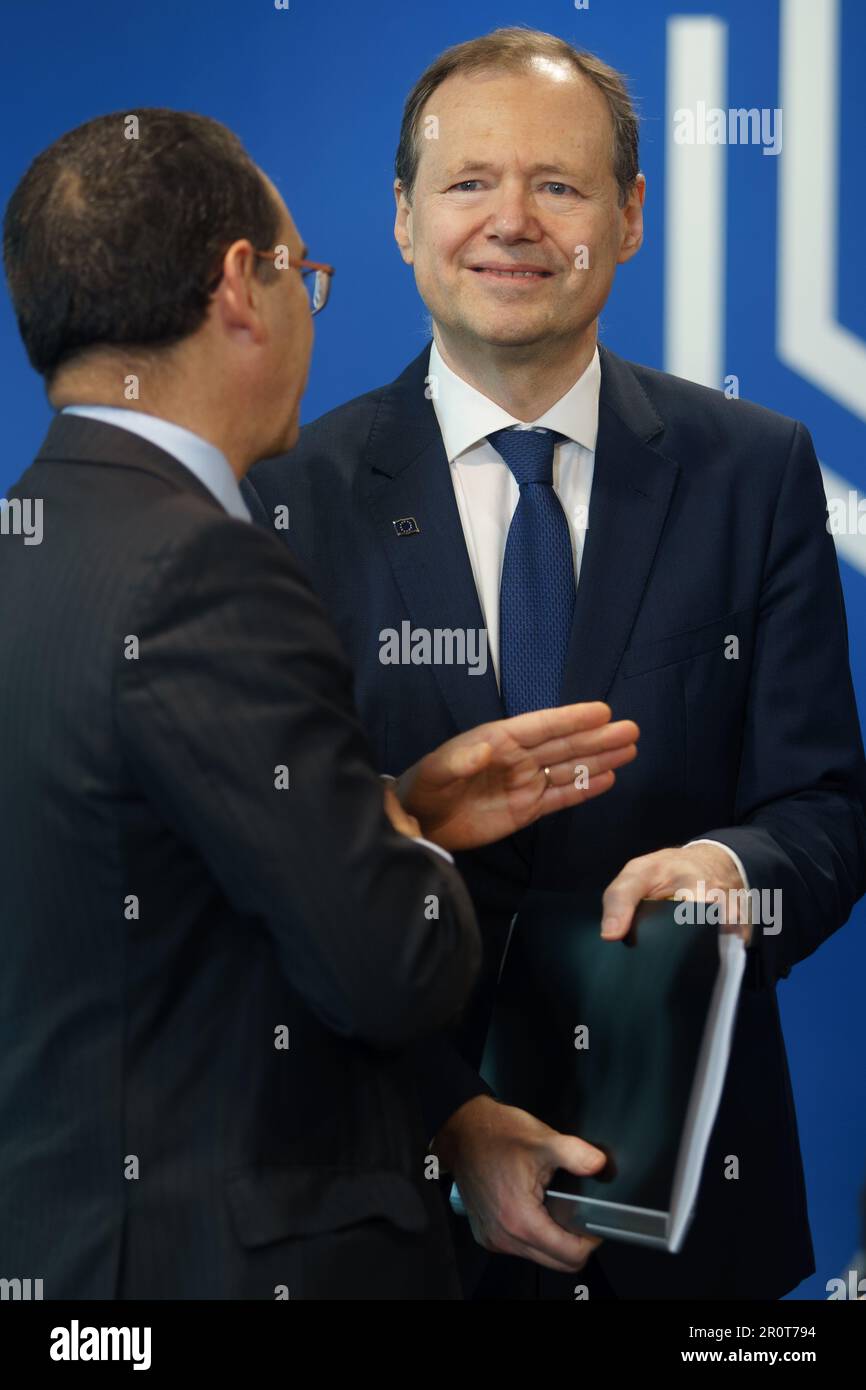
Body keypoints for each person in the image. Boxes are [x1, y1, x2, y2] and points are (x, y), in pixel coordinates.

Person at [247, 28, 866, 1299]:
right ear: (405, 218)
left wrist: (731, 872)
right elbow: (258, 873)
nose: (510, 222)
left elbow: (825, 811)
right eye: (467, 183)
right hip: (385, 1204)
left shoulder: (754, 471)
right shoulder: (281, 497)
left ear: (629, 217)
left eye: (560, 185)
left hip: (685, 1215)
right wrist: (446, 1116)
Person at [0, 107, 638, 1299]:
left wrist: (388, 802)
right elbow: (392, 964)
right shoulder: (211, 564)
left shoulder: (27, 543)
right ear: (242, 285)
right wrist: (397, 844)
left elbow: (137, 865)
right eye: (310, 275)